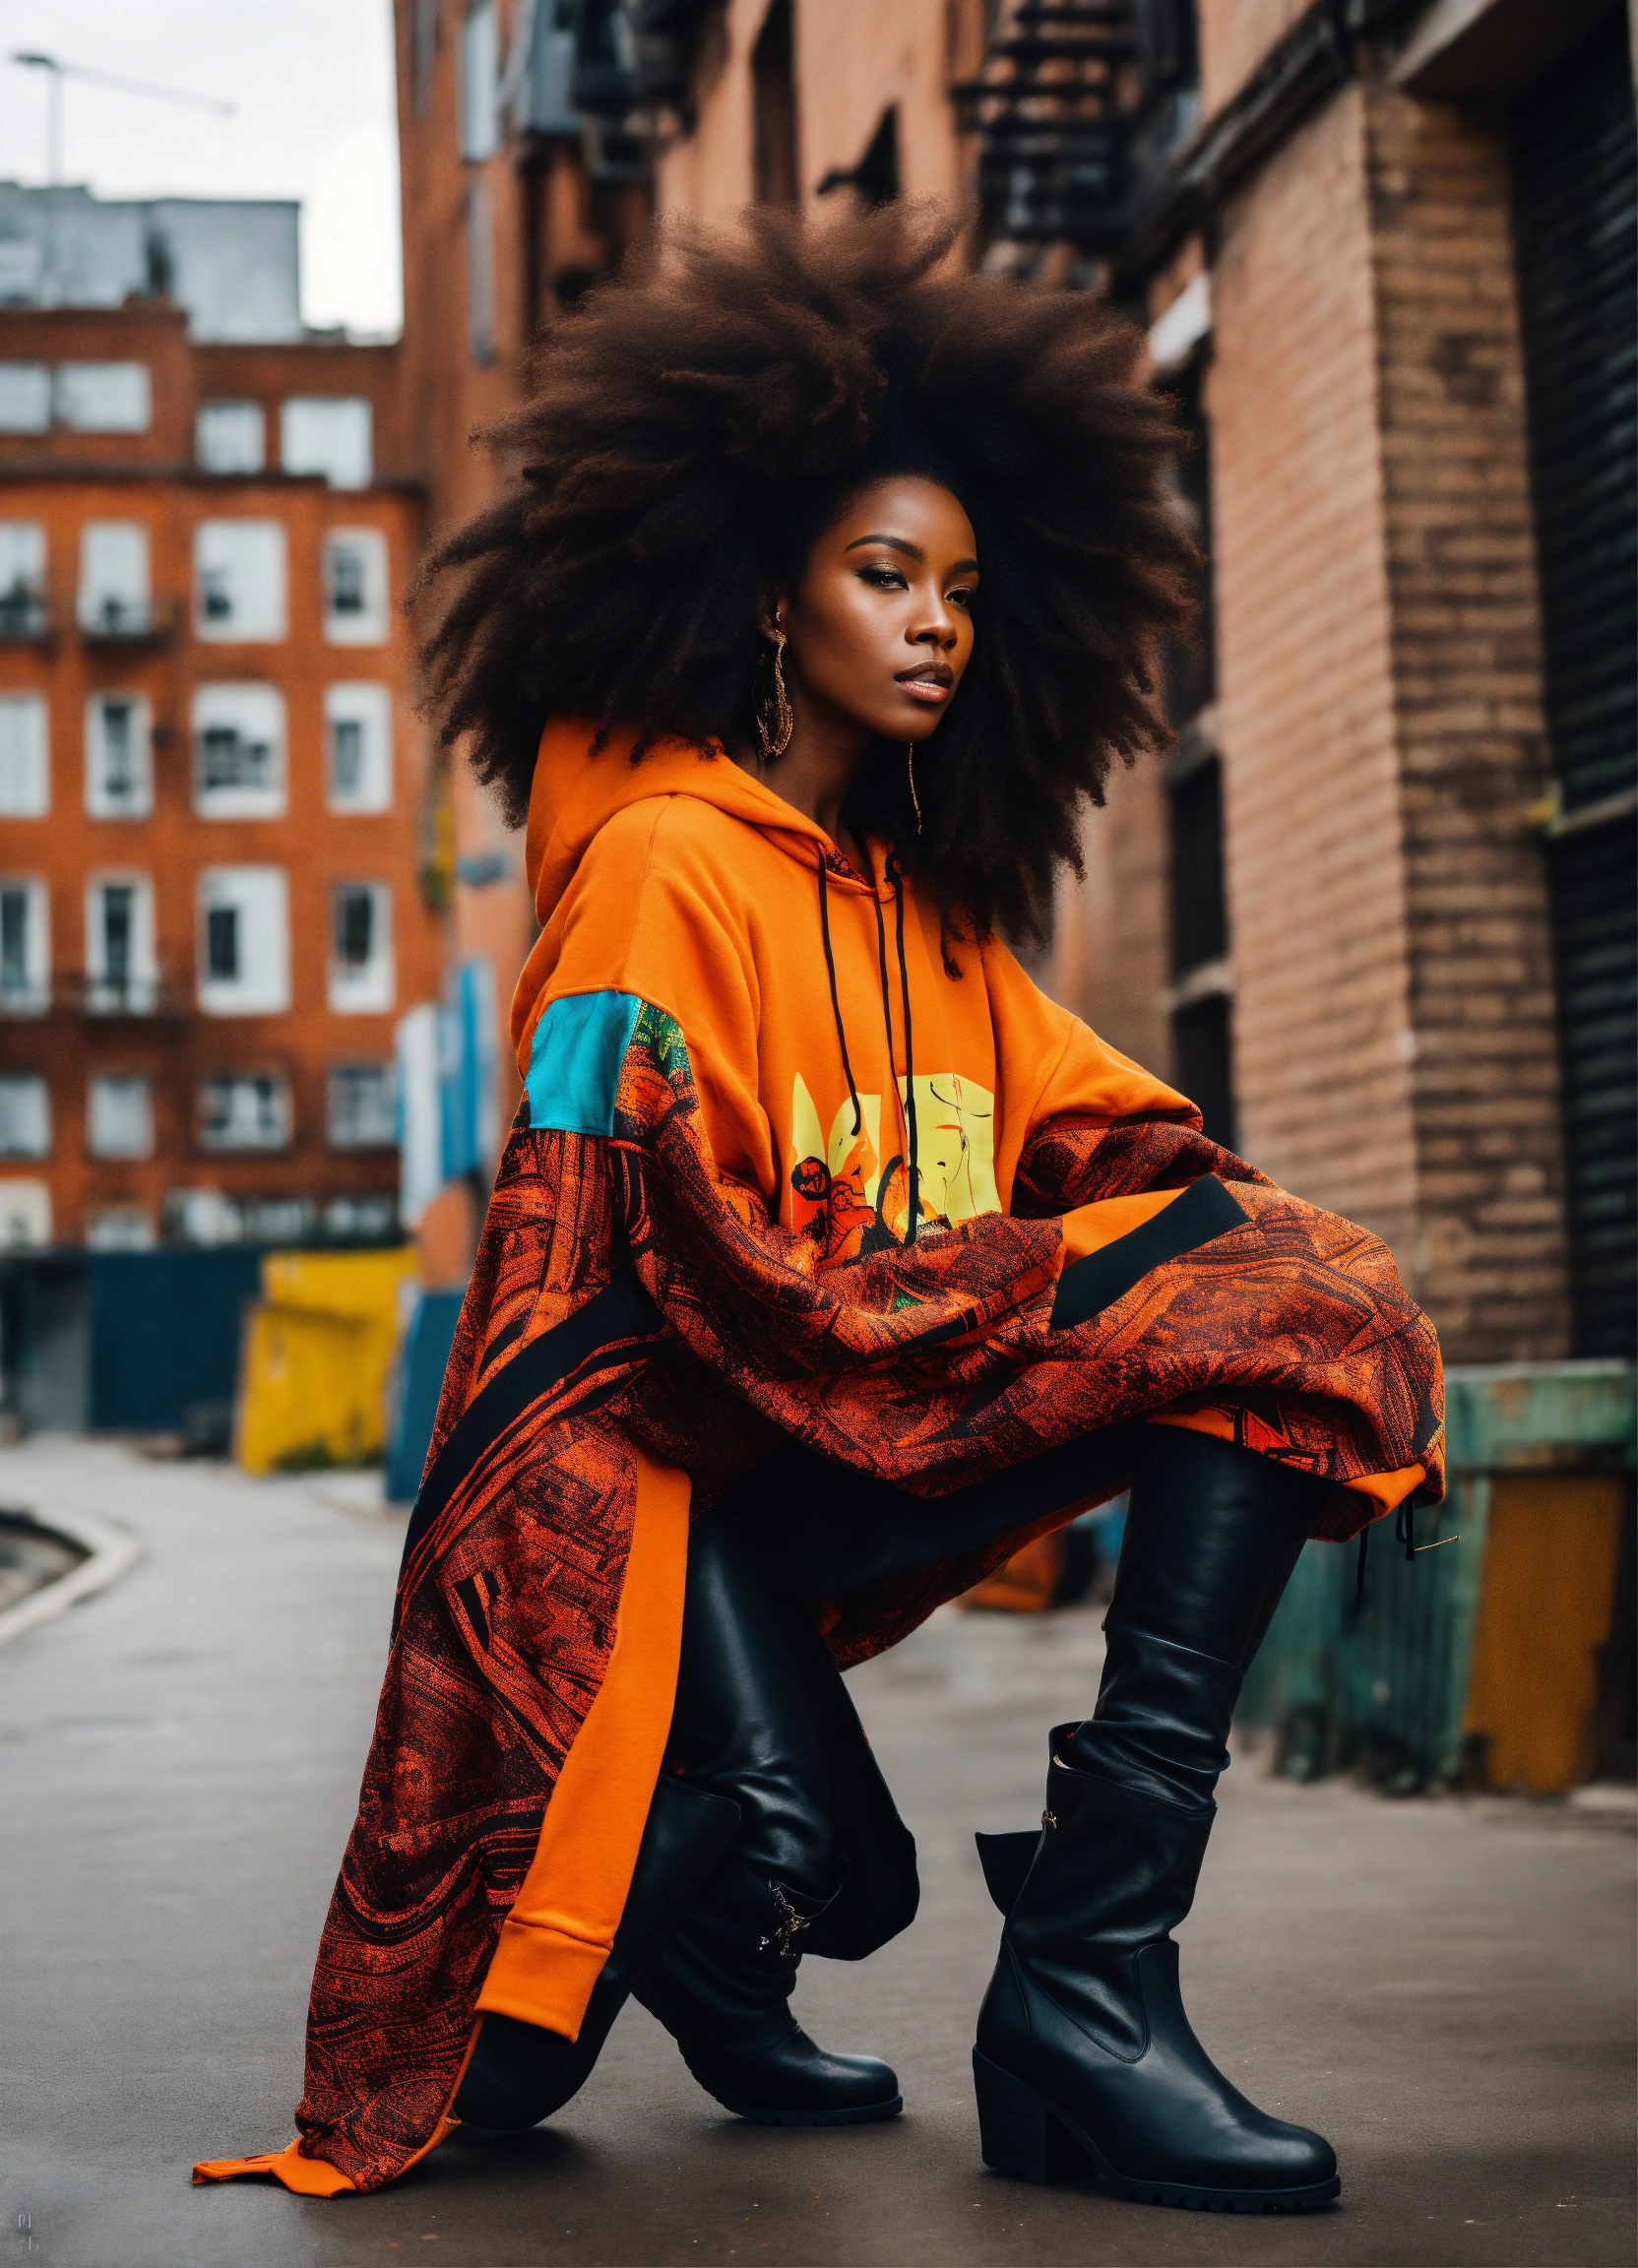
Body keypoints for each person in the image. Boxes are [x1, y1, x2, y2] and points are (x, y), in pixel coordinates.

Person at [195, 210, 1442, 2211]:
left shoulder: (933, 911)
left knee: (1295, 1301)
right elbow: (568, 1301)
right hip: (659, 1487)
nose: (938, 622)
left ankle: (1089, 1989)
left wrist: (1217, 1258)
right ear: (773, 597)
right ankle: (690, 1922)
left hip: (853, 1419)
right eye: (885, 577)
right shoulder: (660, 870)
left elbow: (1124, 1142)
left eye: (961, 586)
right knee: (731, 1931)